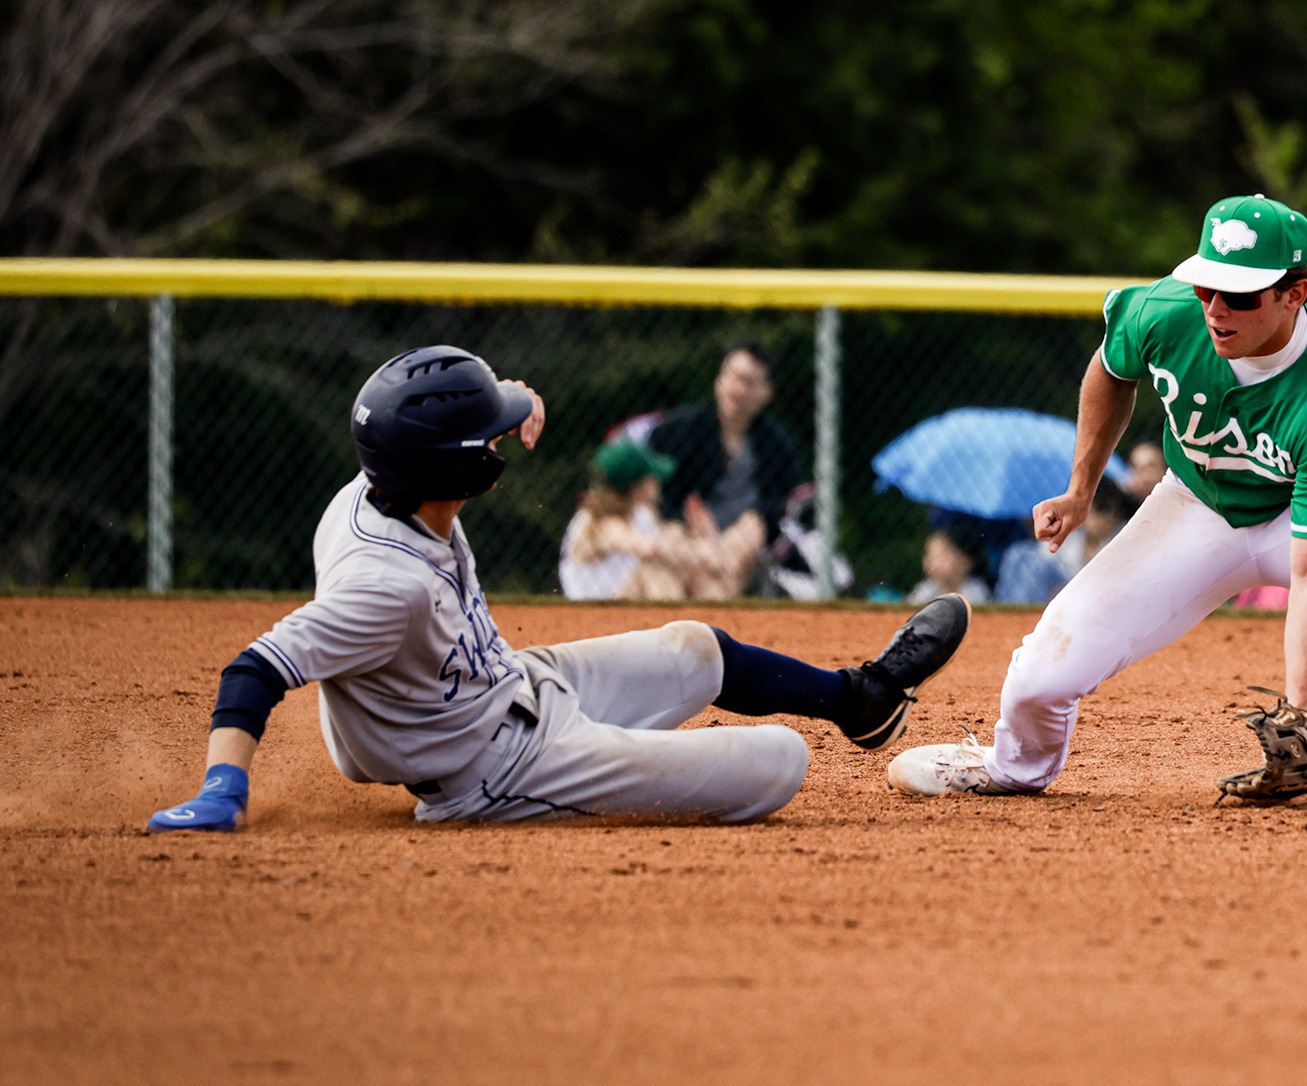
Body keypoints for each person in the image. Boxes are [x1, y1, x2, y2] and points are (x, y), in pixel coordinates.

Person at [146, 345, 968, 832]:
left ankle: (861, 698)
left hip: (505, 679)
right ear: (459, 465)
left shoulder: (378, 486)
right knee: (779, 763)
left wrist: (521, 400)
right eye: (493, 427)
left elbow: (441, 426)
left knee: (697, 644)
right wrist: (223, 788)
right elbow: (253, 670)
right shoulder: (384, 585)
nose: (507, 430)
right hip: (487, 764)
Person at [884, 194, 1307, 804]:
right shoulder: (1165, 312)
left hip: (1291, 525)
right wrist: (1080, 489)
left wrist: (1301, 713)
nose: (1217, 310)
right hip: (1192, 508)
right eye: (1206, 289)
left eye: (1240, 296)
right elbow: (1109, 372)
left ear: (1294, 294)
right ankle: (1016, 765)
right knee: (1040, 678)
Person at [642, 341, 810, 599]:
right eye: (733, 377)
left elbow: (784, 503)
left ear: (766, 391)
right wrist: (688, 522)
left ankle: (707, 624)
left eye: (750, 382)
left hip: (740, 549)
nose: (739, 389)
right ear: (719, 379)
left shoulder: (776, 443)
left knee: (749, 532)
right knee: (670, 539)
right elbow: (663, 496)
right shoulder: (679, 431)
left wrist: (752, 523)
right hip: (687, 533)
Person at [557, 441, 679, 601]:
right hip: (595, 611)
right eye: (651, 476)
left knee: (700, 575)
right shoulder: (593, 521)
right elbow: (649, 548)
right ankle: (673, 621)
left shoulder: (640, 513)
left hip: (626, 600)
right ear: (634, 486)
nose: (657, 481)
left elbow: (666, 540)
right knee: (653, 570)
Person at [992, 480, 1129, 604]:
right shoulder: (1073, 537)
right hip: (1058, 596)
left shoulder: (1120, 542)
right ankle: (1006, 612)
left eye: (1114, 512)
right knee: (1019, 553)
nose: (1107, 518)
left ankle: (1015, 616)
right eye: (1100, 508)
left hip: (1090, 601)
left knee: (1037, 567)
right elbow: (1041, 556)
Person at [908, 527, 993, 605]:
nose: (931, 563)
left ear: (966, 562)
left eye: (941, 556)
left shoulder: (976, 592)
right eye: (929, 556)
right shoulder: (925, 590)